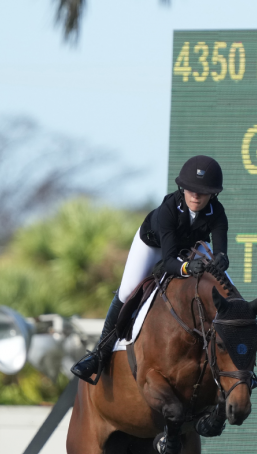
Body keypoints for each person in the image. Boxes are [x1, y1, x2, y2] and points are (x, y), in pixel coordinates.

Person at [71, 155, 230, 382]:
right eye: (190, 189)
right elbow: (168, 261)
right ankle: (100, 353)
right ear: (182, 188)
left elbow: (221, 251)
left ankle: (238, 360)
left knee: (227, 285)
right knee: (127, 291)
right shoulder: (168, 209)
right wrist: (187, 268)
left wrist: (222, 260)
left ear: (213, 194)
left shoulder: (218, 212)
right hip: (154, 246)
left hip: (192, 248)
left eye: (202, 192)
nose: (195, 195)